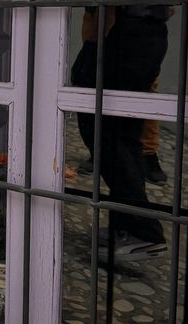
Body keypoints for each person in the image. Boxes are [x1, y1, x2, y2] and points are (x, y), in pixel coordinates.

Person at [71, 5, 171, 261]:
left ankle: (143, 230)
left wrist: (101, 30)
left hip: (123, 30)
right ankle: (126, 224)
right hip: (146, 31)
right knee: (124, 134)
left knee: (106, 132)